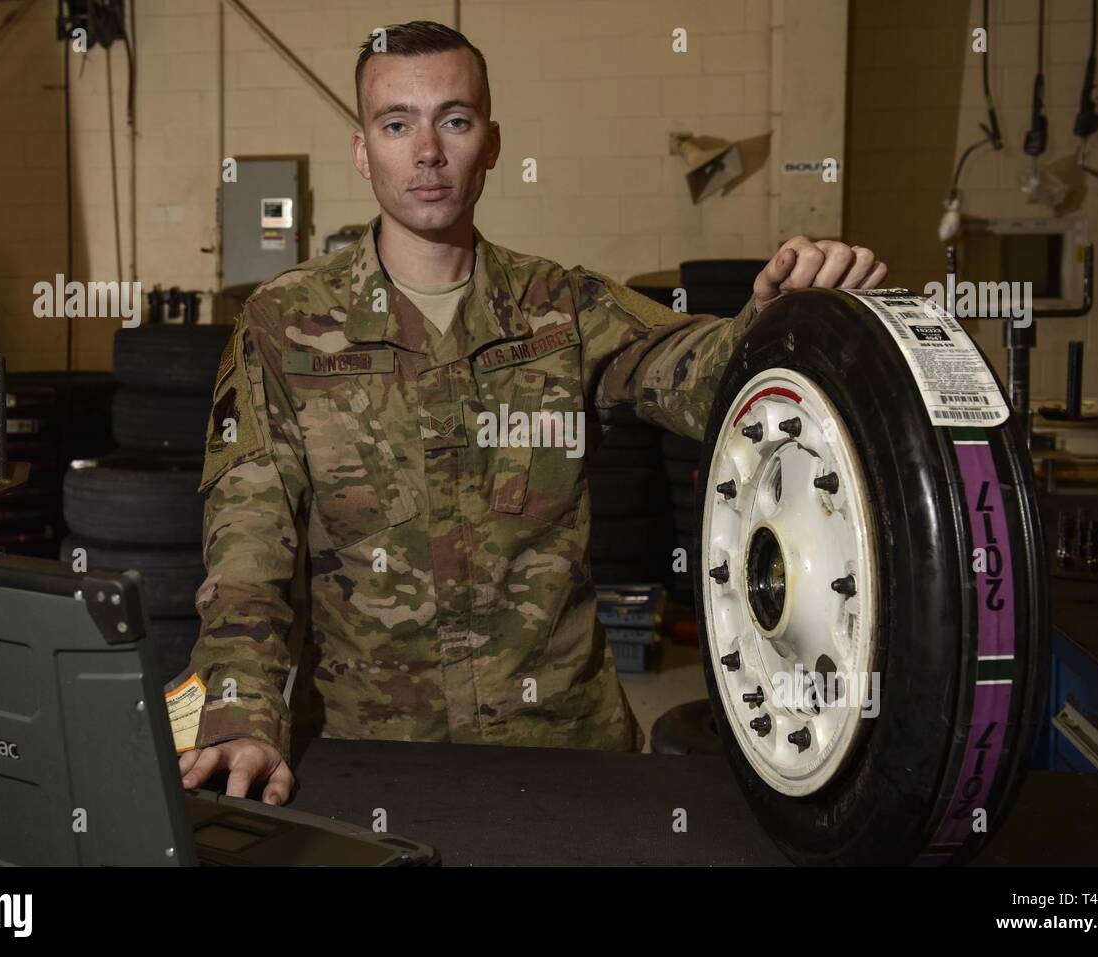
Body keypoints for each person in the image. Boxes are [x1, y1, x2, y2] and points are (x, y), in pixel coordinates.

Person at [178, 20, 887, 805]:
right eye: (396, 123)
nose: (427, 152)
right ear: (362, 149)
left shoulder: (559, 309)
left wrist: (777, 316)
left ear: (490, 141)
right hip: (372, 756)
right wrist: (240, 711)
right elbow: (247, 550)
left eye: (454, 120)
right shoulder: (285, 326)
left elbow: (707, 377)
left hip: (565, 752)